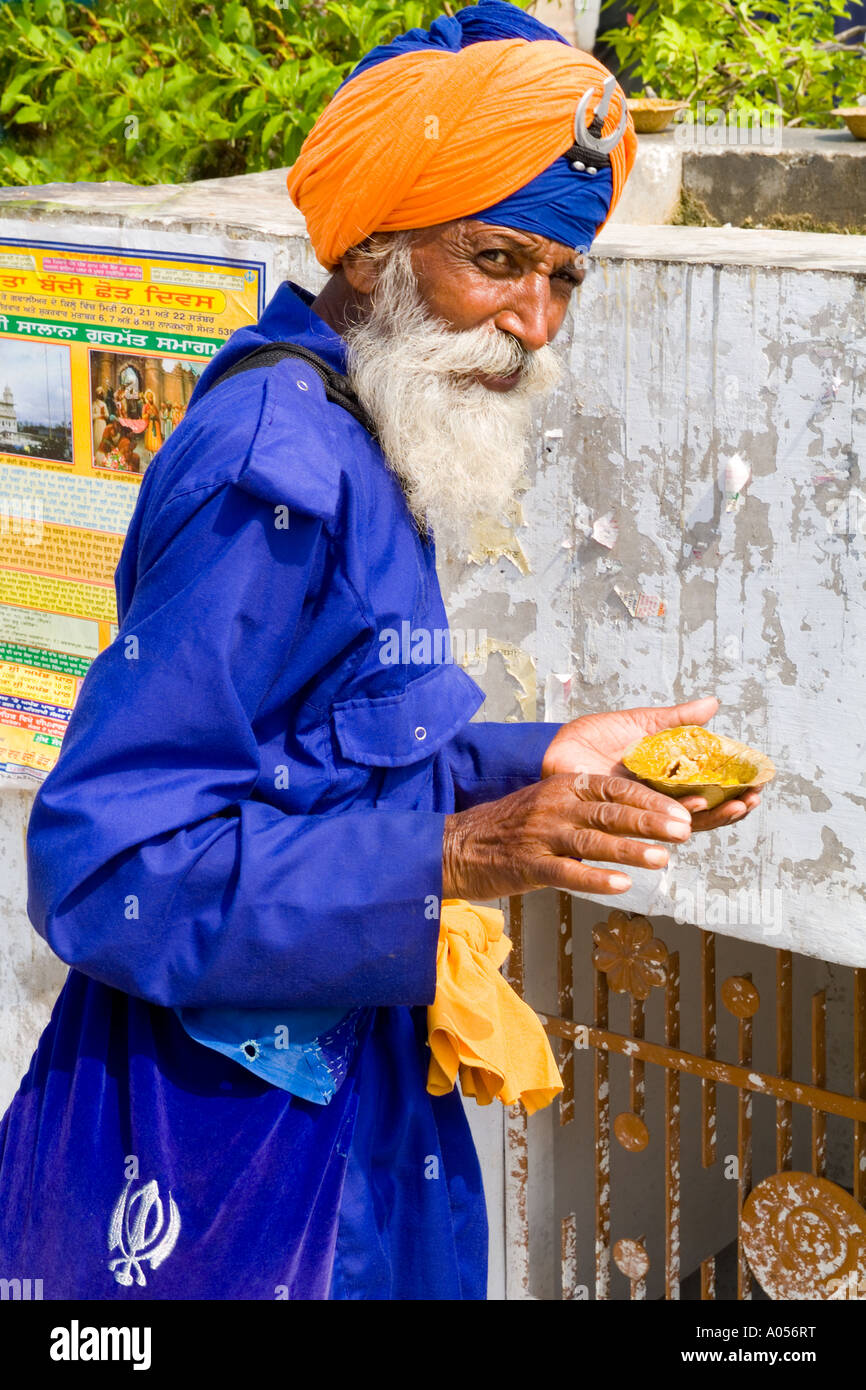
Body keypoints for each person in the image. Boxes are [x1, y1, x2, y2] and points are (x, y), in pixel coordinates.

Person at [0, 0, 762, 1301]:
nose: (535, 322)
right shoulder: (274, 470)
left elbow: (318, 752)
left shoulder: (365, 423)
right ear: (368, 249)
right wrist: (457, 852)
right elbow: (105, 867)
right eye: (497, 261)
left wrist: (542, 760)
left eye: (564, 277)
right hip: (234, 1150)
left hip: (360, 1101)